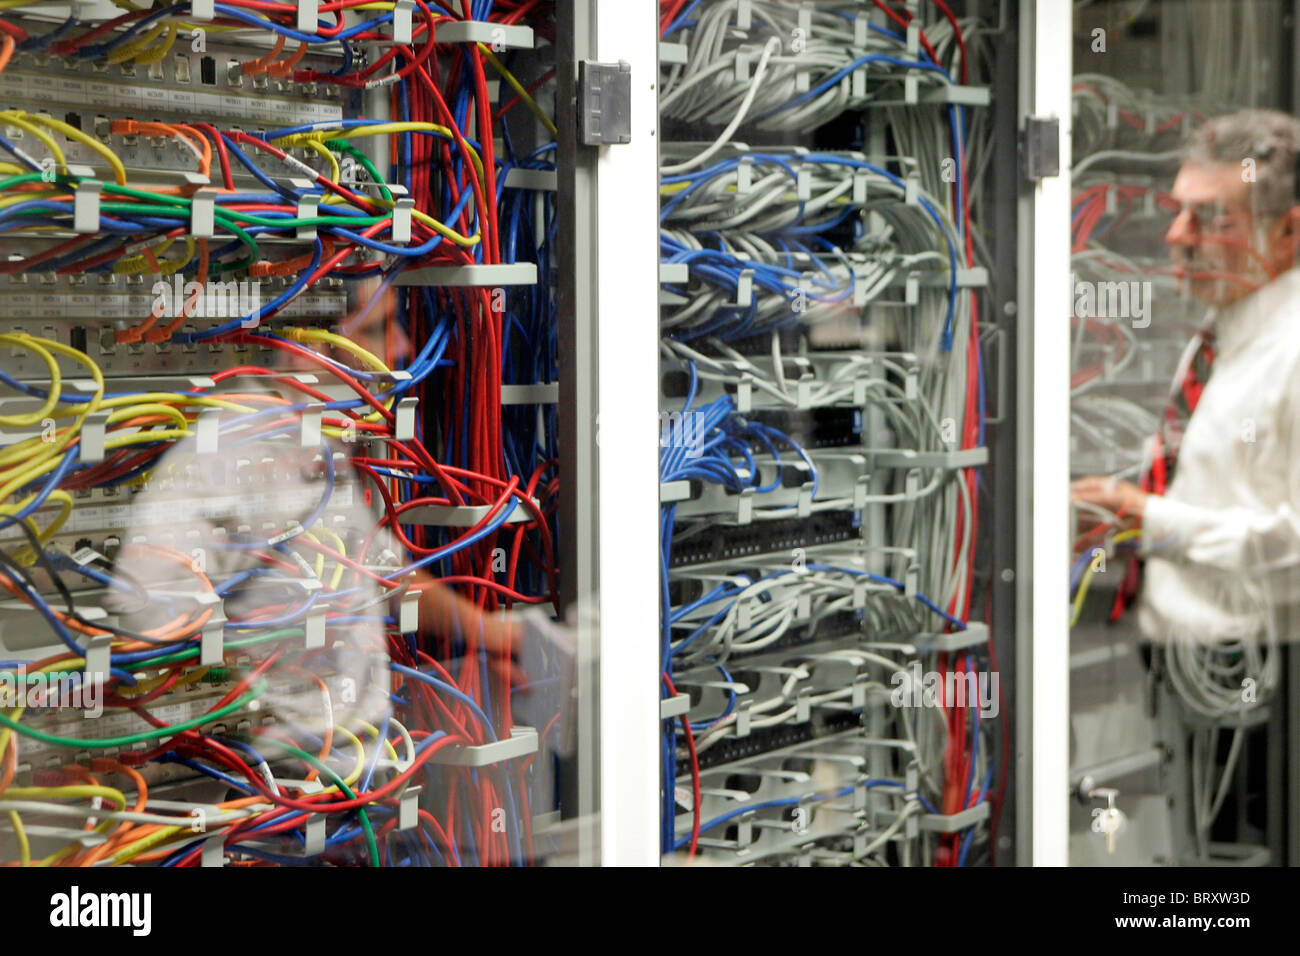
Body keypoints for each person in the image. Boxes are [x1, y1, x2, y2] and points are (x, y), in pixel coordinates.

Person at [1072, 109, 1300, 650]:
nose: (1177, 235)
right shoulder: (1224, 333)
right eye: (1179, 212)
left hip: (1264, 681)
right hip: (1183, 669)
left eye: (1210, 217)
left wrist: (1148, 521)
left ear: (1289, 231)